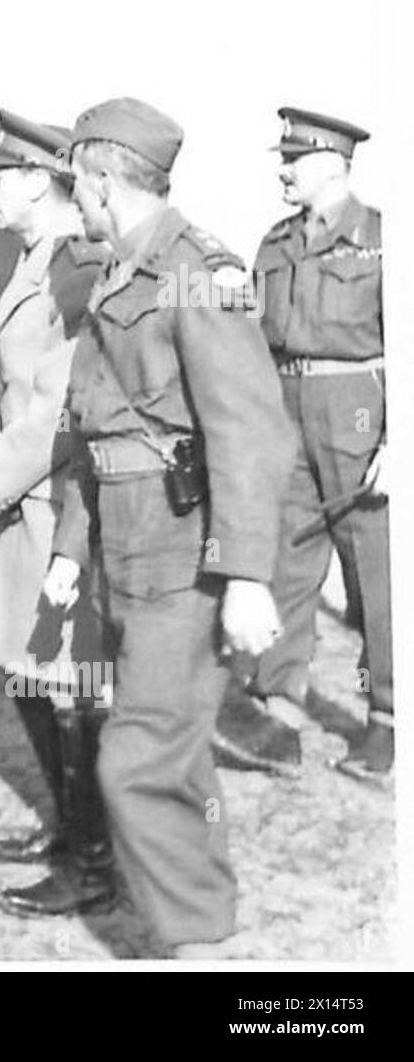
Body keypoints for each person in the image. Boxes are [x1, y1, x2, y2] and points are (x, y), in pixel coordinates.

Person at [46, 98, 294, 958]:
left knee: (138, 763)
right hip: (126, 546)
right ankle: (208, 934)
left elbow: (249, 426)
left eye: (73, 183)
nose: (70, 200)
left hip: (183, 550)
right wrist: (72, 556)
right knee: (176, 756)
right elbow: (92, 429)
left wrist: (248, 575)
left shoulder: (194, 270)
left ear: (103, 180)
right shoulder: (117, 273)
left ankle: (199, 950)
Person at [0, 109, 114, 918]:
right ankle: (69, 829)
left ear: (43, 181)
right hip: (27, 499)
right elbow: (7, 388)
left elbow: (63, 403)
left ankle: (94, 862)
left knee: (68, 686)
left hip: (60, 505)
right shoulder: (34, 263)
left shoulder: (73, 270)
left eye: (3, 174)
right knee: (28, 677)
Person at [242, 107, 391, 781]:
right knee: (286, 559)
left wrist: (399, 441)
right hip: (284, 407)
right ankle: (281, 718)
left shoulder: (383, 239)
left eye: (293, 159)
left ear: (332, 162)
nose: (282, 169)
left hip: (356, 407)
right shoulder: (274, 243)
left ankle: (386, 723)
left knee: (378, 572)